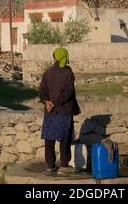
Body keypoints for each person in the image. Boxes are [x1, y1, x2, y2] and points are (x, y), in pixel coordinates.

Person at [39, 46, 81, 174]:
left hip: (50, 111)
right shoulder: (68, 72)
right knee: (65, 138)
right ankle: (64, 164)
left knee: (49, 138)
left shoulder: (47, 72)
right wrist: (54, 103)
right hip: (64, 110)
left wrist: (47, 102)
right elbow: (68, 93)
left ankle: (50, 165)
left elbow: (42, 90)